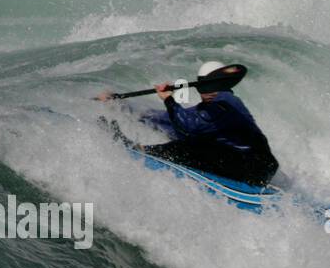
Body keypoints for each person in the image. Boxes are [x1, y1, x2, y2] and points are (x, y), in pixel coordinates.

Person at [101, 61, 279, 186]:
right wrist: (121, 104)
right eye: (204, 86)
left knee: (193, 145)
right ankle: (141, 149)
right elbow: (167, 120)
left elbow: (187, 125)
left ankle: (140, 150)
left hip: (256, 166)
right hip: (239, 164)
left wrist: (169, 100)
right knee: (189, 141)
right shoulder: (206, 110)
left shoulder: (227, 101)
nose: (207, 91)